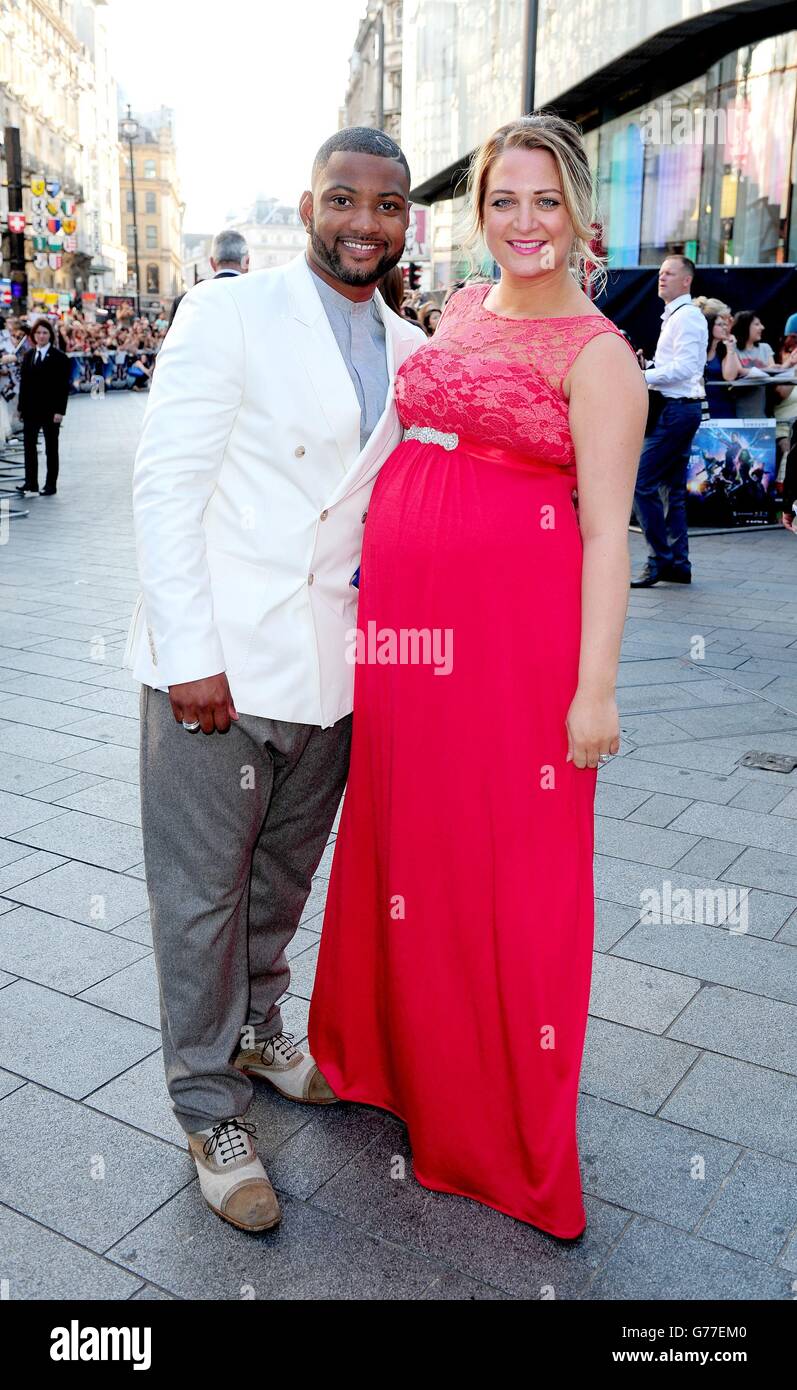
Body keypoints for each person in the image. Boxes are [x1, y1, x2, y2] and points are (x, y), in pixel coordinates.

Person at [308, 112, 648, 1239]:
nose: (522, 221)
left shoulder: (600, 355)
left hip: (515, 647)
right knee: (413, 841)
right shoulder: (457, 308)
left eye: (543, 200)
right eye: (503, 200)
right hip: (410, 647)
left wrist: (591, 689)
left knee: (510, 870)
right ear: (478, 214)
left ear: (579, 214)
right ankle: (397, 1066)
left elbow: (608, 534)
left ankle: (498, 1128)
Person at [123, 126, 424, 1234]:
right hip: (217, 669)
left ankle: (258, 1027)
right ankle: (208, 1108)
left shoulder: (408, 340)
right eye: (342, 200)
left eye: (384, 207)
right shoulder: (229, 312)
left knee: (280, 881)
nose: (362, 223)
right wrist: (188, 648)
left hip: (332, 676)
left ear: (405, 223)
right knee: (199, 899)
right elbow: (166, 485)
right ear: (308, 207)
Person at [631, 255, 708, 586]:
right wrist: (649, 368)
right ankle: (677, 563)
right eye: (660, 273)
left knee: (641, 482)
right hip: (677, 408)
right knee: (669, 489)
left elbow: (687, 368)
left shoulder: (687, 317)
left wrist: (644, 375)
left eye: (669, 273)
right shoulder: (678, 316)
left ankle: (659, 559)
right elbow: (676, 367)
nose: (661, 278)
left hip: (677, 410)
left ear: (686, 281)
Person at [14, 317, 71, 498]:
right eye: (38, 333)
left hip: (50, 410)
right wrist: (21, 408)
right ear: (33, 335)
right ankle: (31, 483)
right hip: (30, 410)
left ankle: (50, 484)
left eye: (45, 333)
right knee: (29, 447)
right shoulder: (28, 356)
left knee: (50, 449)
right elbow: (24, 384)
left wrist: (60, 411)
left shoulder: (59, 358)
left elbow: (63, 387)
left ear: (50, 335)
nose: (41, 336)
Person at [695, 297, 741, 418]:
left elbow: (730, 376)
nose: (725, 327)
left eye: (725, 324)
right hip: (700, 407)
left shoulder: (724, 348)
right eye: (720, 324)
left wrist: (731, 348)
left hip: (723, 407)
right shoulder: (697, 348)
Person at [731, 311, 775, 418]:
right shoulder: (732, 348)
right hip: (736, 413)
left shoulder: (765, 348)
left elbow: (773, 370)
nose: (762, 327)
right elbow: (739, 370)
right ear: (745, 326)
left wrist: (789, 364)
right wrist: (764, 370)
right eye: (757, 324)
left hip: (762, 412)